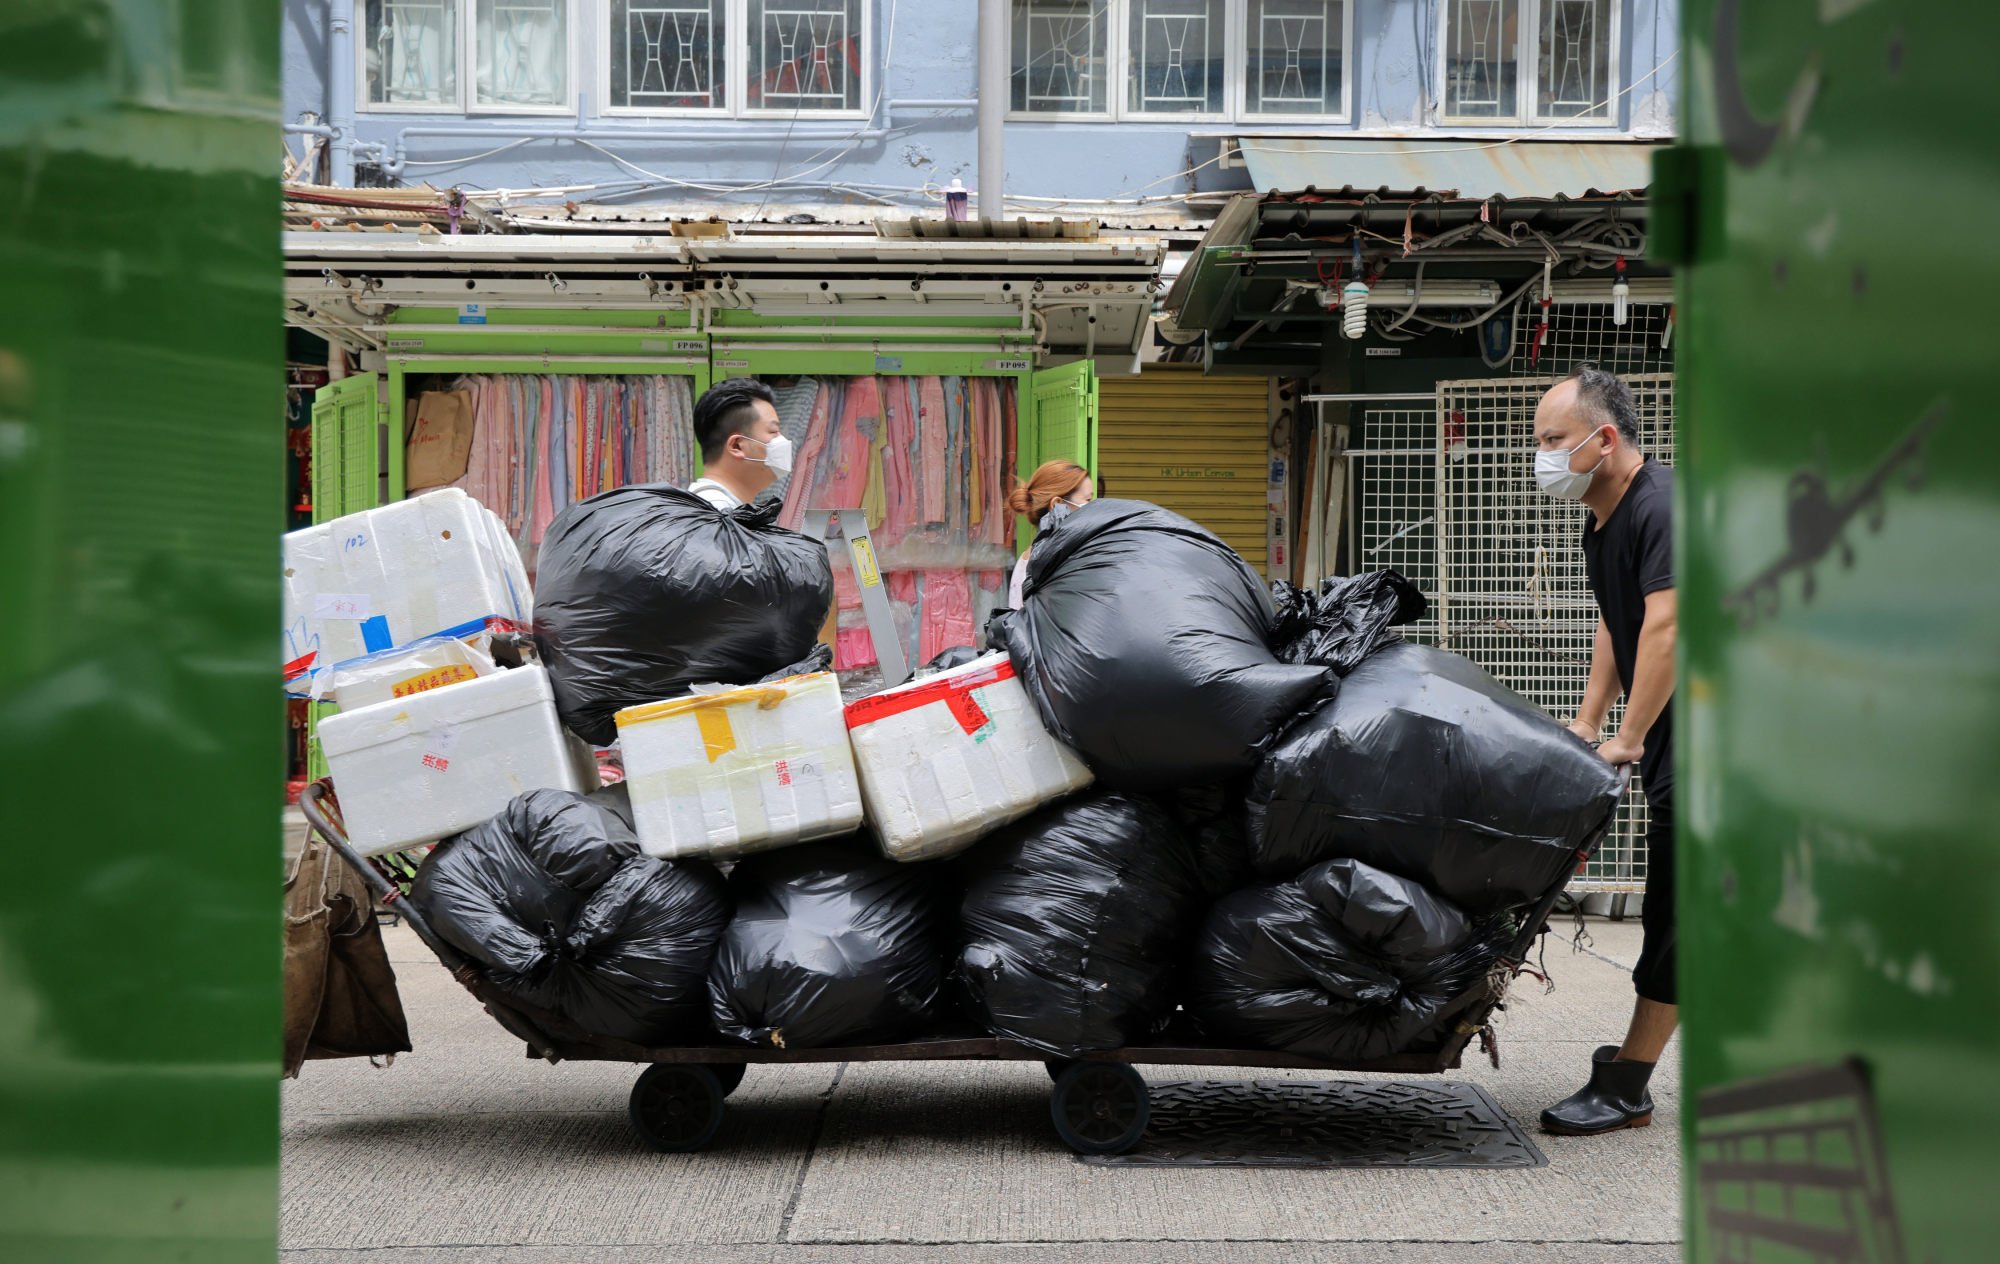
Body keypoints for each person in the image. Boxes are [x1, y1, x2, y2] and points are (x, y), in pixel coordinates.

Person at [1532, 366, 1678, 1137]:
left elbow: (1666, 628)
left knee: (1676, 911)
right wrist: (1589, 722)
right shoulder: (1605, 517)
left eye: (1555, 441)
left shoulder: (1662, 508)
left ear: (1605, 439)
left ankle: (1630, 1084)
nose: (1544, 457)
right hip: (1682, 741)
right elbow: (1617, 625)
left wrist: (1628, 737)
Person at [686, 378, 792, 510]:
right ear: (737, 446)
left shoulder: (710, 506)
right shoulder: (718, 514)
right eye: (773, 431)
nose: (782, 440)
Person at [1006, 459, 1095, 607]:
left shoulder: (1034, 558)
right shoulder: (1050, 565)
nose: (1093, 507)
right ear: (1058, 505)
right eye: (1088, 500)